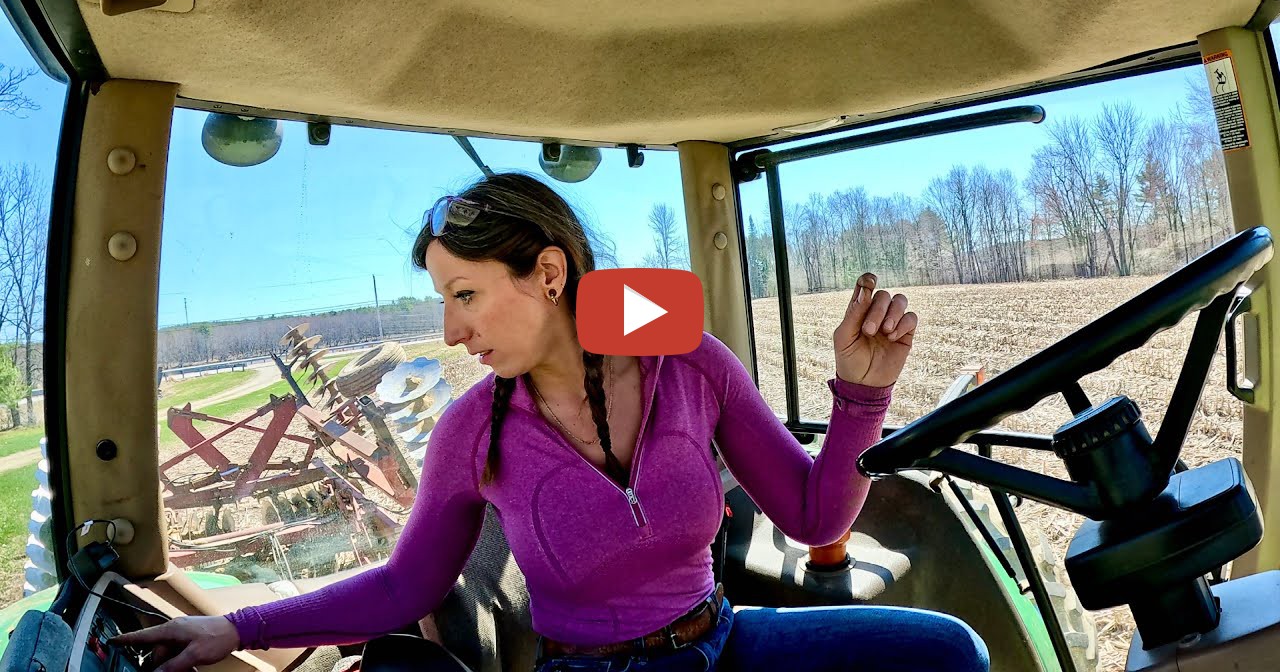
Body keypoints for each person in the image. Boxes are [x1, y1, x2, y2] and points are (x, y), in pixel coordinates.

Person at [112, 173, 988, 672]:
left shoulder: (691, 364)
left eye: (465, 296)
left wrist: (862, 396)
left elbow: (814, 516)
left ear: (550, 275)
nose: (450, 332)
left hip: (726, 639)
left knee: (949, 655)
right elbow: (402, 589)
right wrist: (238, 628)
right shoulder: (471, 431)